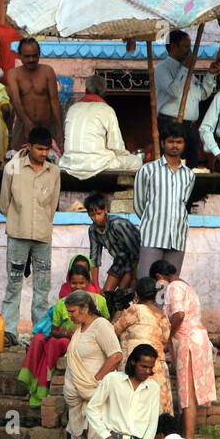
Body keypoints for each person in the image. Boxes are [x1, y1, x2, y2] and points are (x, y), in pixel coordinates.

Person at [0, 127, 61, 335]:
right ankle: (8, 330)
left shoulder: (54, 172)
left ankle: (40, 333)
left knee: (43, 288)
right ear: (30, 147)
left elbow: (52, 206)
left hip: (43, 237)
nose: (44, 154)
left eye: (46, 150)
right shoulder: (12, 168)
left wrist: (42, 223)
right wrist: (19, 220)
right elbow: (4, 204)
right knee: (14, 284)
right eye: (40, 149)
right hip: (17, 235)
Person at [151, 260, 216, 439]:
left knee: (187, 395)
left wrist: (166, 338)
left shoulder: (172, 287)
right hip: (198, 340)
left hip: (187, 342)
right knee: (191, 393)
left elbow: (179, 315)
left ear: (159, 278)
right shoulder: (188, 287)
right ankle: (185, 437)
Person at [62, 292, 122, 439]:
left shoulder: (101, 326)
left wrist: (96, 380)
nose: (69, 315)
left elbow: (116, 355)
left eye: (72, 311)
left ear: (85, 308)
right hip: (77, 403)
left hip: (95, 399)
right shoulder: (79, 330)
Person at [16, 264, 93, 408]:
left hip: (84, 342)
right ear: (68, 283)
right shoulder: (62, 303)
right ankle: (33, 383)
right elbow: (54, 329)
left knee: (53, 343)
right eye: (74, 283)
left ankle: (39, 387)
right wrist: (63, 332)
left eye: (81, 283)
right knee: (40, 339)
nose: (77, 286)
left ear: (88, 283)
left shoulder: (95, 301)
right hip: (64, 337)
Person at [153, 29, 220, 170]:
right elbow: (175, 91)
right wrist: (185, 68)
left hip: (190, 127)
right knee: (172, 167)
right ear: (173, 47)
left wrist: (210, 74)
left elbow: (202, 94)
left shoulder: (188, 71)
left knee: (191, 168)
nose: (189, 51)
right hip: (171, 125)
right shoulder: (163, 69)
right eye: (186, 46)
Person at [133, 125, 196, 277]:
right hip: (153, 237)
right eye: (171, 142)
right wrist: (153, 220)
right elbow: (139, 204)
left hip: (177, 238)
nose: (175, 146)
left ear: (184, 144)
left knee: (170, 288)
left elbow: (183, 202)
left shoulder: (189, 175)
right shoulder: (147, 170)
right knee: (147, 284)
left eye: (179, 142)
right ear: (163, 143)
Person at [59, 77, 144, 181]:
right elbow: (117, 146)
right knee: (137, 161)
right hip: (96, 165)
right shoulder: (106, 110)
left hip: (69, 163)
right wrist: (126, 155)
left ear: (86, 91)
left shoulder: (72, 109)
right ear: (104, 93)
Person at [112, 277, 173, 415]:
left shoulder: (135, 310)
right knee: (157, 412)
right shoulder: (163, 316)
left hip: (137, 366)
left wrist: (117, 315)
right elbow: (165, 341)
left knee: (135, 410)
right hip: (157, 367)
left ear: (136, 295)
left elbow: (114, 331)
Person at [4, 38, 63, 147]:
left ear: (39, 54)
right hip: (23, 125)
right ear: (20, 55)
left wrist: (60, 130)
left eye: (34, 56)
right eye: (27, 56)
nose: (31, 59)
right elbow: (16, 101)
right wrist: (27, 122)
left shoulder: (47, 71)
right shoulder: (14, 74)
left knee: (50, 159)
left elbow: (55, 101)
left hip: (47, 126)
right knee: (19, 159)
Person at [82, 192, 140, 292]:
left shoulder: (118, 225)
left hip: (136, 261)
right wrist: (95, 286)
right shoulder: (93, 230)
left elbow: (136, 253)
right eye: (92, 215)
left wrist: (134, 278)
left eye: (99, 213)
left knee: (122, 294)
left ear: (105, 210)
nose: (96, 218)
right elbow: (94, 260)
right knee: (107, 294)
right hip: (119, 262)